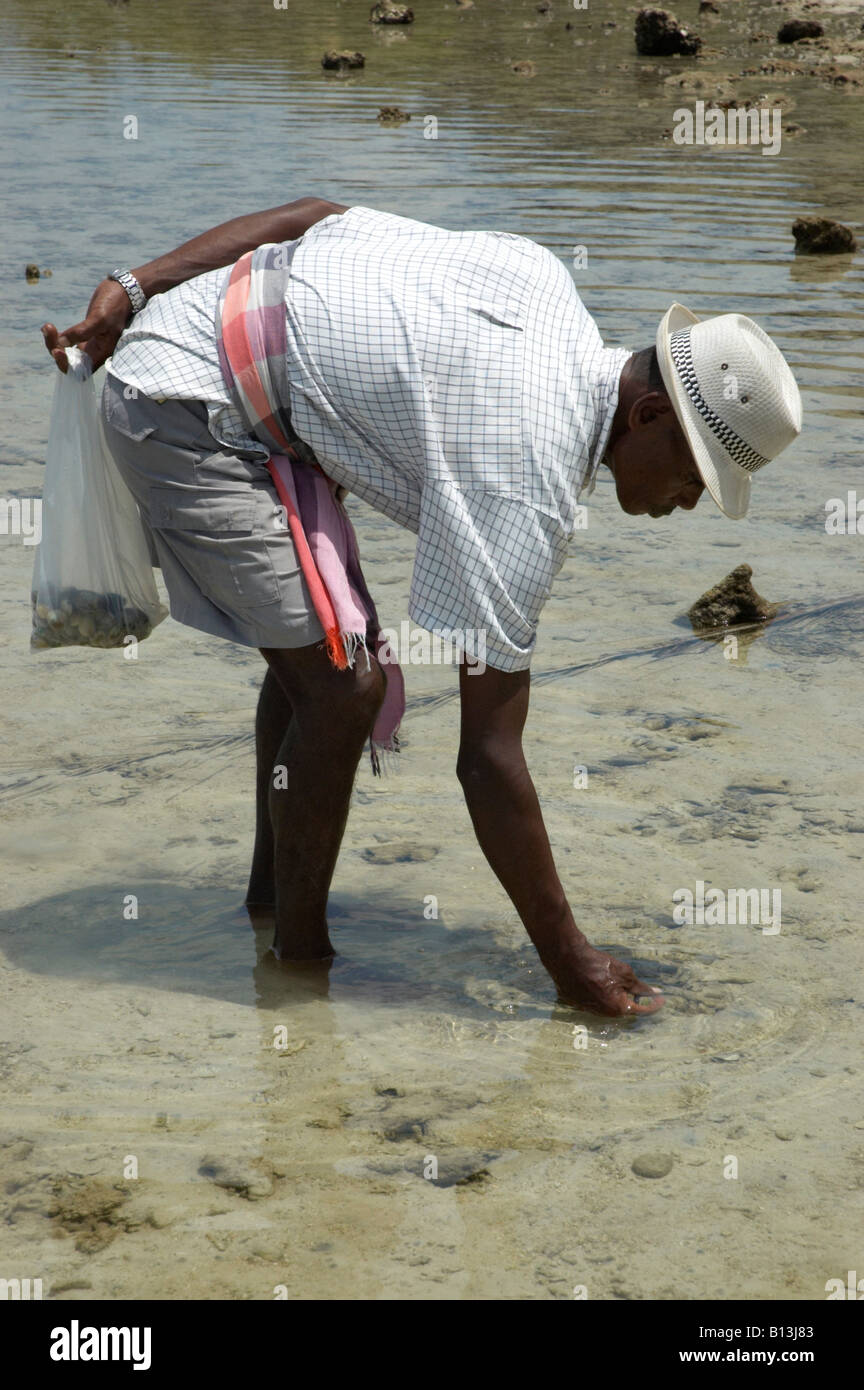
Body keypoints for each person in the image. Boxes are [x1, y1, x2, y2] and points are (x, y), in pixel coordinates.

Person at [41, 197, 802, 1017]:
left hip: (232, 370)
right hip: (185, 406)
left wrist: (137, 284)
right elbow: (487, 758)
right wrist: (569, 962)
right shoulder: (526, 475)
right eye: (698, 476)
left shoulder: (542, 280)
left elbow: (318, 212)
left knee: (323, 663)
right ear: (649, 415)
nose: (688, 503)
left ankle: (269, 905)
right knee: (342, 690)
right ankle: (299, 974)